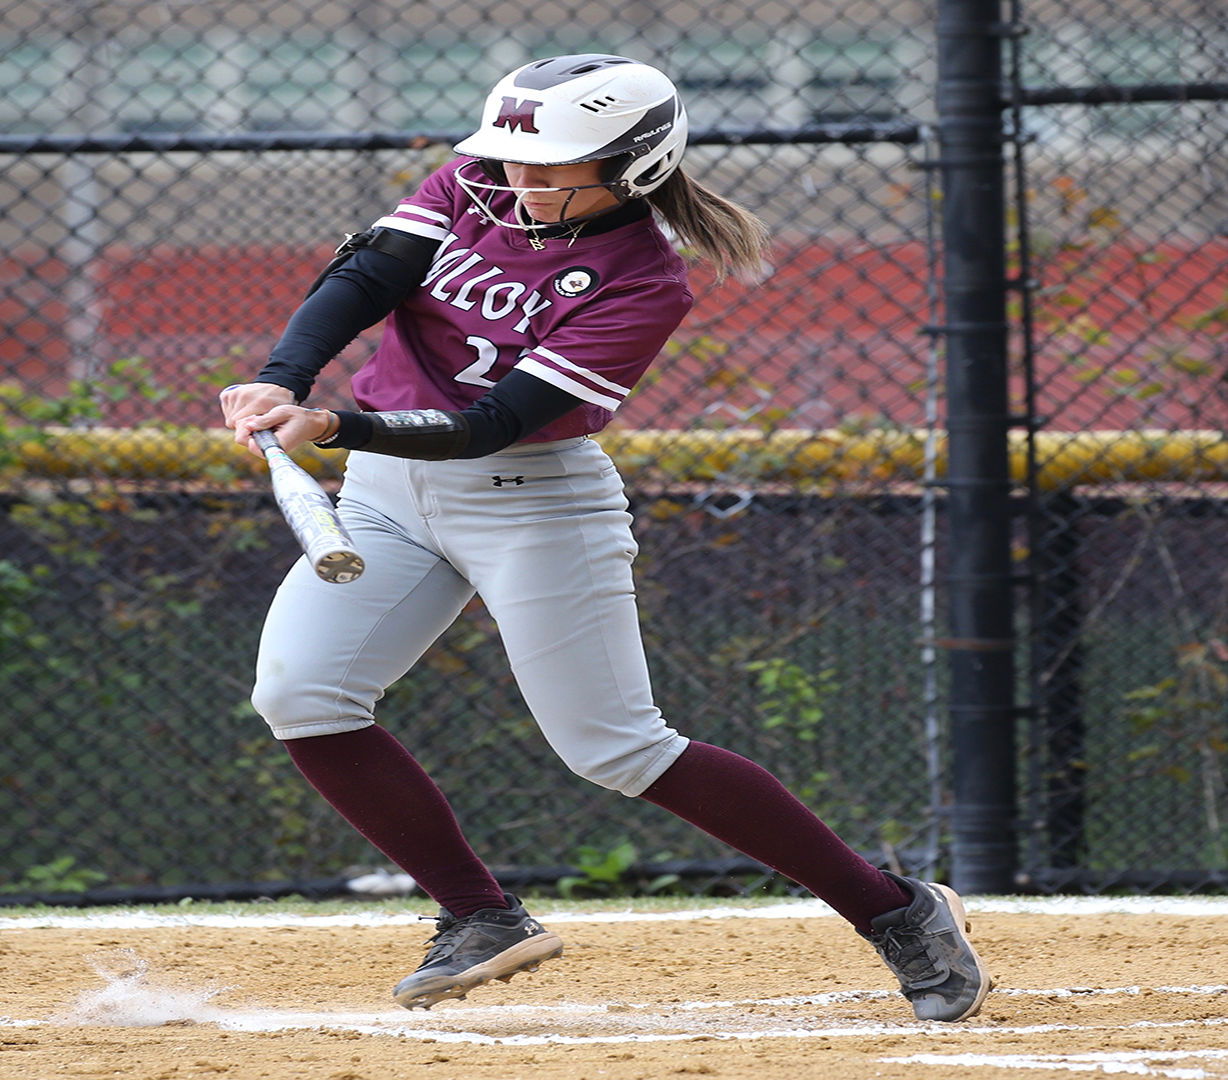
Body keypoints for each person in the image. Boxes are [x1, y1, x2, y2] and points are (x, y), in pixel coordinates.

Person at [219, 54, 991, 1023]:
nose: (521, 180)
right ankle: (480, 915)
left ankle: (896, 911)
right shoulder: (477, 181)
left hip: (533, 503)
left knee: (617, 748)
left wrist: (339, 428)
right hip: (385, 494)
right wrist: (287, 377)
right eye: (513, 159)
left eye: (553, 166)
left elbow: (494, 422)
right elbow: (369, 273)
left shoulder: (646, 282)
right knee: (301, 693)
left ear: (634, 164)